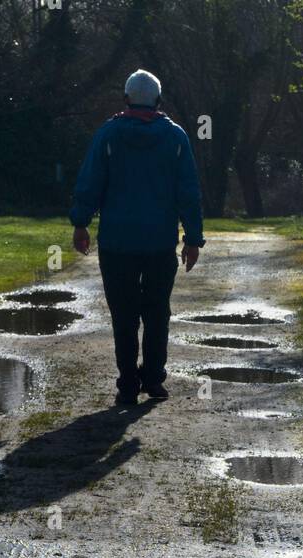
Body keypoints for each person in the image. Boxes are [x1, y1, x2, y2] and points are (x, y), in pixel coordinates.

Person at [69, 69, 205, 407]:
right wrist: (193, 238)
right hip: (159, 242)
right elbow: (188, 191)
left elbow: (90, 181)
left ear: (126, 98)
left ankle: (128, 383)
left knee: (124, 314)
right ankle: (154, 379)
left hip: (117, 243)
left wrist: (81, 223)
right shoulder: (175, 137)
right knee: (157, 311)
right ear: (158, 100)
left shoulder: (109, 134)